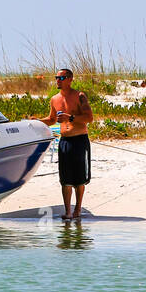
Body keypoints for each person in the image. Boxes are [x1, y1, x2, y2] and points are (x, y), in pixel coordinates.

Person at [40, 67, 93, 219]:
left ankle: (78, 209)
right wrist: (36, 121)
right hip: (64, 141)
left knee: (79, 179)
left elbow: (89, 118)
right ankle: (68, 211)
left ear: (70, 79)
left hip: (79, 140)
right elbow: (51, 120)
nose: (58, 80)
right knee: (65, 179)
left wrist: (71, 118)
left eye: (61, 78)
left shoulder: (80, 96)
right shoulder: (54, 99)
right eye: (56, 77)